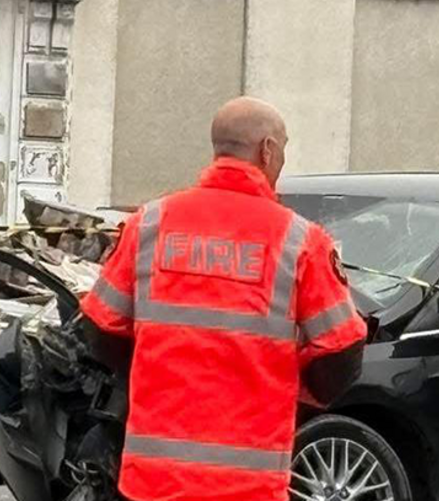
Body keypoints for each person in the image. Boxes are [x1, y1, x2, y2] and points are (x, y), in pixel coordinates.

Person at [80, 96, 367, 501]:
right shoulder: (299, 241)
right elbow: (342, 349)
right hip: (248, 484)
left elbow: (99, 327)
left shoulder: (150, 224)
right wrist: (290, 389)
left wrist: (149, 370)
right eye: (283, 148)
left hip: (153, 481)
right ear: (267, 150)